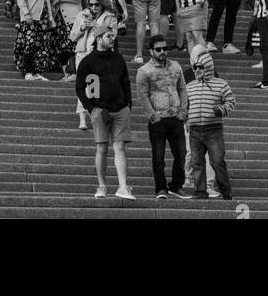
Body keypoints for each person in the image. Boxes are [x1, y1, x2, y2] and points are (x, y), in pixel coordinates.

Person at [75, 27, 134, 200]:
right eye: (108, 36)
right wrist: (91, 107)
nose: (112, 39)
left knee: (120, 146)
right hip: (100, 109)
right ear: (99, 38)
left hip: (120, 108)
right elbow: (79, 87)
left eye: (112, 36)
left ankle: (123, 186)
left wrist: (128, 104)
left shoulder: (119, 58)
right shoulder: (88, 61)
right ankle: (102, 185)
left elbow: (126, 82)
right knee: (102, 148)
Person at [137, 33, 190, 199]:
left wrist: (183, 110)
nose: (162, 52)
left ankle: (176, 185)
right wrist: (153, 115)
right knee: (158, 156)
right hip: (158, 119)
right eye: (158, 49)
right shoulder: (144, 71)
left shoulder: (176, 66)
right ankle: (160, 188)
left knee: (181, 154)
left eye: (165, 48)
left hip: (176, 117)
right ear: (151, 51)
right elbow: (142, 95)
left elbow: (182, 88)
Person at [185, 44, 235, 200]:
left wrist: (221, 110)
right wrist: (186, 117)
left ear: (207, 66)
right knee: (197, 162)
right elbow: (184, 103)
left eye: (200, 67)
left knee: (217, 160)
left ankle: (226, 191)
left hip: (213, 128)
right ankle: (200, 191)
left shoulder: (221, 84)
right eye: (195, 67)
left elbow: (231, 101)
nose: (197, 70)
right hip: (194, 129)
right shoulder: (190, 86)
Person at [13, 0, 68, 80]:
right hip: (31, 17)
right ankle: (28, 72)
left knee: (41, 46)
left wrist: (52, 10)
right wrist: (26, 14)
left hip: (44, 19)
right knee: (30, 43)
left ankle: (37, 72)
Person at [69, 0, 117, 126]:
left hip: (101, 55)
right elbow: (72, 36)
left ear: (102, 4)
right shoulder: (82, 14)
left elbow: (112, 35)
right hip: (83, 53)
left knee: (98, 85)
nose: (94, 7)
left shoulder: (110, 17)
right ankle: (82, 118)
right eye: (91, 4)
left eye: (97, 4)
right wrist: (82, 27)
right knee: (82, 85)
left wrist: (95, 25)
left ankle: (96, 115)